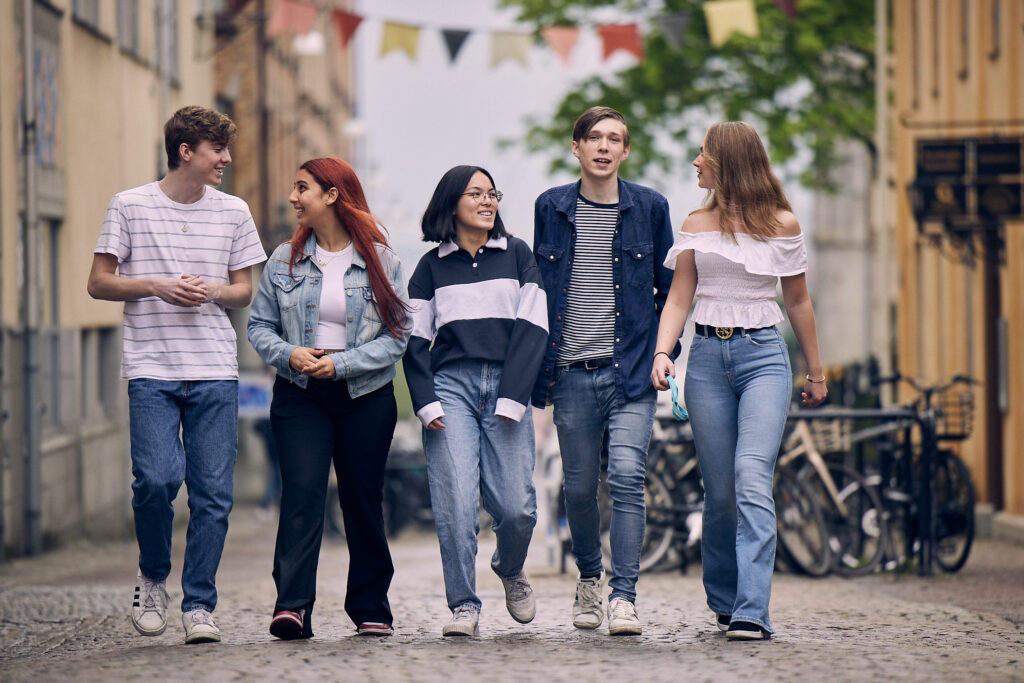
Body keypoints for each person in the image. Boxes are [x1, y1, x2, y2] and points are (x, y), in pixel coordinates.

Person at [87, 105, 267, 644]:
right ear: (185, 151)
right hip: (151, 367)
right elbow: (99, 282)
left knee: (213, 494)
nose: (227, 160)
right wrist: (159, 286)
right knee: (157, 480)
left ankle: (200, 606)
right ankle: (152, 576)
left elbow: (243, 290)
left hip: (214, 368)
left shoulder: (234, 211)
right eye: (218, 150)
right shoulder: (129, 206)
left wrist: (211, 291)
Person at [651, 121, 828, 641]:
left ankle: (753, 609)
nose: (695, 162)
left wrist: (815, 372)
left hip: (763, 359)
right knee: (721, 493)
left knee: (752, 477)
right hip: (705, 359)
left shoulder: (782, 223)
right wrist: (664, 353)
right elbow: (679, 296)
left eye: (703, 154)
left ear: (727, 162)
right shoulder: (696, 223)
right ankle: (725, 600)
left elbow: (796, 300)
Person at [247, 157, 411, 639]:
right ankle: (293, 605)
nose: (293, 197)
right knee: (302, 493)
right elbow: (259, 326)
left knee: (362, 498)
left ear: (333, 195)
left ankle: (370, 605)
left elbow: (397, 337)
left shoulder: (383, 259)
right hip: (301, 394)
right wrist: (291, 354)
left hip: (365, 394)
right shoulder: (283, 260)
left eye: (303, 188)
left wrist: (340, 363)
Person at [532, 107, 675, 635]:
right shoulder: (551, 207)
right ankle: (589, 577)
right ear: (576, 147)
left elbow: (670, 292)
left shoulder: (651, 208)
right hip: (570, 371)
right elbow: (542, 291)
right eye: (594, 137)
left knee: (629, 480)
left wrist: (663, 351)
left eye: (615, 139)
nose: (604, 146)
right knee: (576, 487)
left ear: (626, 151)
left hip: (632, 372)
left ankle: (624, 596)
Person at [404, 165, 548, 638]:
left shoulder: (518, 255)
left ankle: (509, 567)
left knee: (516, 508)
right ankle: (463, 604)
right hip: (452, 389)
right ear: (451, 203)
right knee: (456, 505)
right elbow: (414, 341)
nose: (488, 202)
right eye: (476, 194)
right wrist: (426, 403)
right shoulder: (430, 267)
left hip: (507, 384)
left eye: (492, 194)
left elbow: (534, 328)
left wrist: (513, 394)